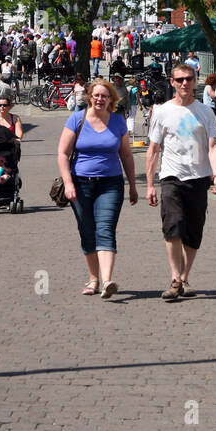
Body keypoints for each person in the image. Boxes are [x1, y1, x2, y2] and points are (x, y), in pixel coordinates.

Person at [145, 63, 216, 301]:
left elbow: (212, 146)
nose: (184, 83)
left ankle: (185, 277)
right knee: (173, 225)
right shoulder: (162, 112)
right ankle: (175, 278)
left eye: (188, 79)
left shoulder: (205, 112)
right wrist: (149, 184)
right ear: (172, 83)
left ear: (195, 80)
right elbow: (154, 149)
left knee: (194, 231)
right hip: (171, 177)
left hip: (199, 177)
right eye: (179, 80)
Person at [58, 79, 139, 299]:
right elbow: (63, 153)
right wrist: (68, 183)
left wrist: (132, 184)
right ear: (89, 97)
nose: (100, 99)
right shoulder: (77, 119)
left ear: (111, 99)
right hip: (81, 183)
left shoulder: (118, 121)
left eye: (104, 96)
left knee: (105, 228)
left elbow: (126, 155)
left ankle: (107, 281)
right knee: (87, 231)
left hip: (110, 183)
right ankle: (93, 278)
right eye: (96, 95)